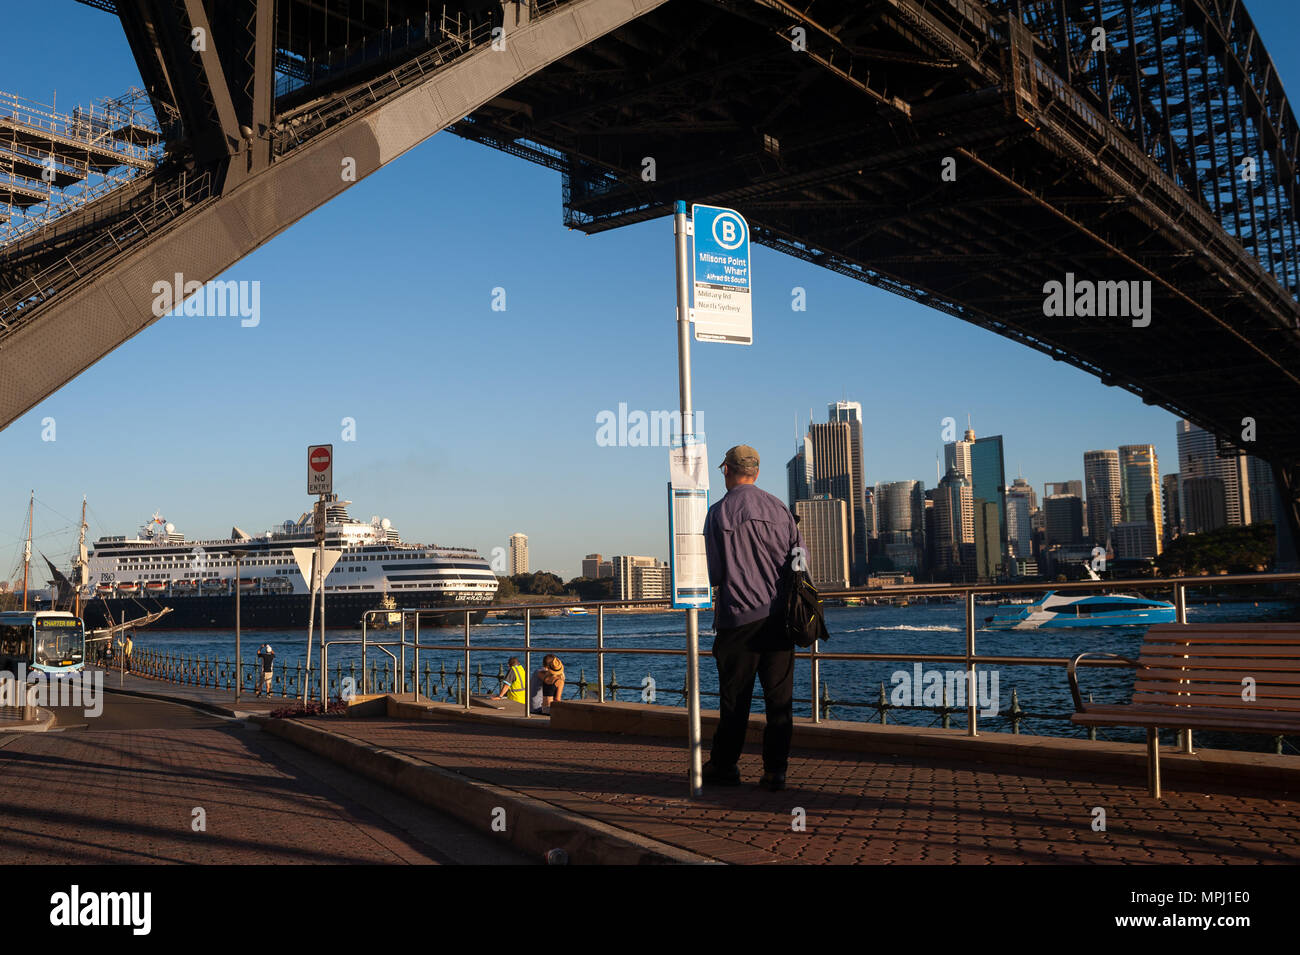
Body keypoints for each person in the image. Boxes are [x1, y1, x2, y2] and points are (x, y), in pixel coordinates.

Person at [701, 444, 805, 792]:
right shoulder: (780, 509)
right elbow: (800, 564)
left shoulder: (718, 513)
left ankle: (725, 766)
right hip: (779, 620)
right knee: (779, 701)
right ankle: (776, 771)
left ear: (727, 470)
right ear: (757, 473)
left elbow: (714, 573)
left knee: (734, 701)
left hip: (737, 620)